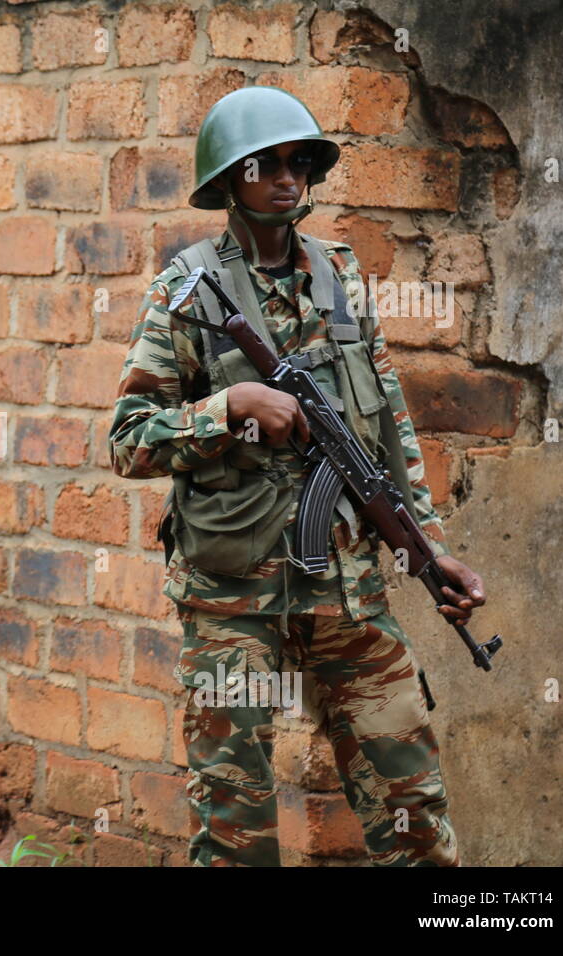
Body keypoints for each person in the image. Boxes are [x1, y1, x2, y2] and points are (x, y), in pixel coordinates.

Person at [108, 87, 488, 866]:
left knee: (412, 798)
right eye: (266, 164)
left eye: (300, 162)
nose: (287, 178)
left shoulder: (339, 275)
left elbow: (385, 427)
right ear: (229, 180)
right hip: (232, 598)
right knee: (237, 818)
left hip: (347, 586)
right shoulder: (187, 291)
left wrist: (426, 547)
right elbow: (129, 441)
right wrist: (228, 408)